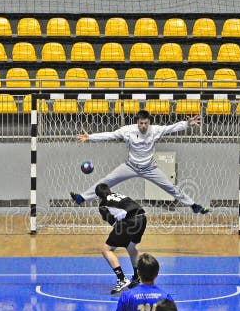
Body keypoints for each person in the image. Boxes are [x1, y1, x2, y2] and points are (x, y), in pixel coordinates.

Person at [70, 110, 210, 215]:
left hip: (150, 168)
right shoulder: (128, 131)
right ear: (137, 122)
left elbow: (171, 128)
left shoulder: (155, 130)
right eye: (141, 123)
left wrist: (187, 124)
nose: (143, 126)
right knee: (106, 181)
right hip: (130, 166)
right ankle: (82, 198)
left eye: (146, 123)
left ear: (149, 122)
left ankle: (193, 205)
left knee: (170, 187)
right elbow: (110, 134)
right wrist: (90, 137)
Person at [97, 183, 147, 295]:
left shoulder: (103, 205)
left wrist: (120, 234)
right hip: (142, 218)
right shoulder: (119, 196)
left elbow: (115, 223)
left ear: (98, 196)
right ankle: (137, 276)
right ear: (109, 190)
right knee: (131, 246)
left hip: (130, 222)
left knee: (107, 250)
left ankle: (122, 279)